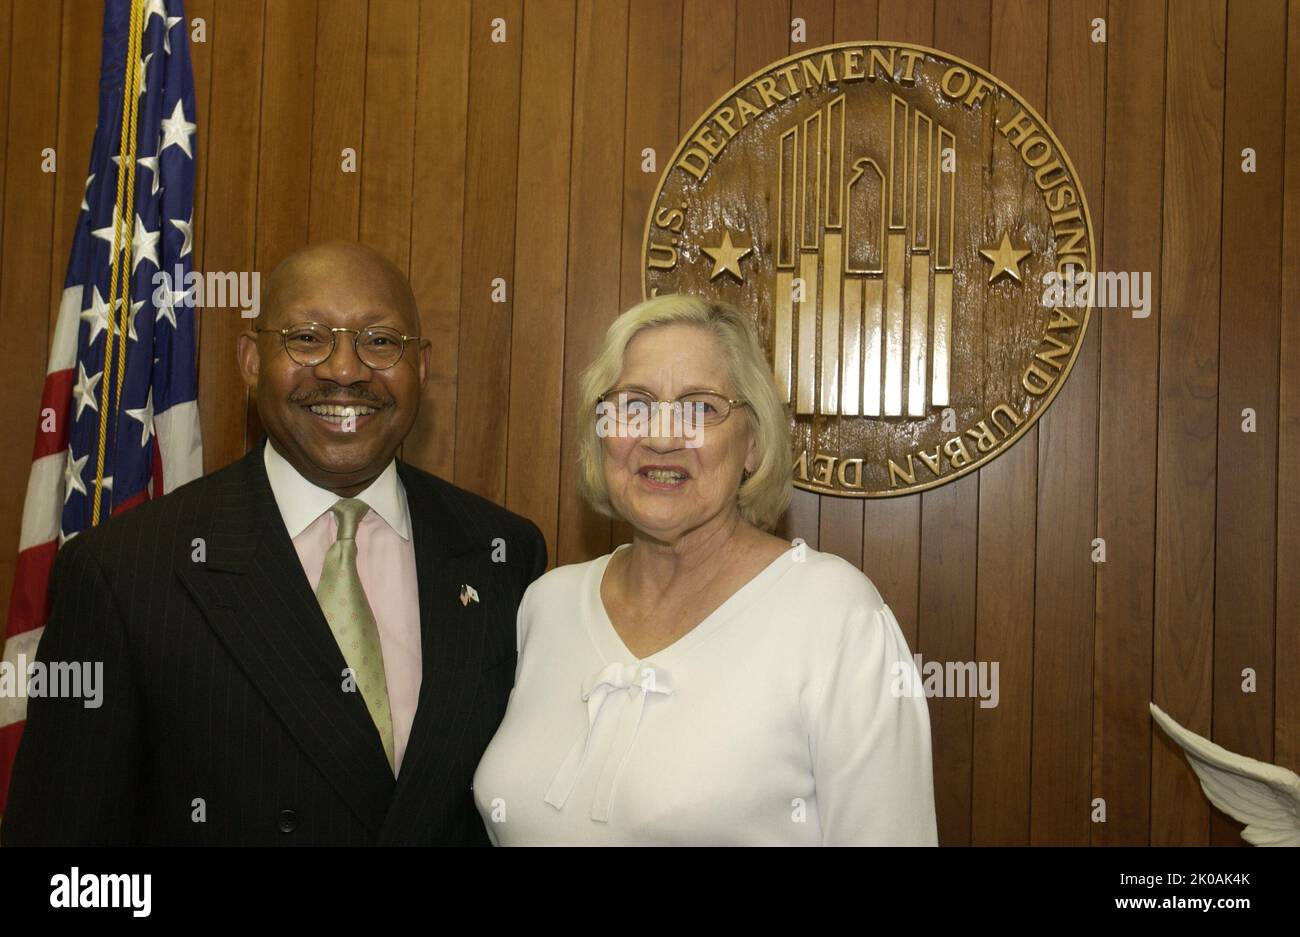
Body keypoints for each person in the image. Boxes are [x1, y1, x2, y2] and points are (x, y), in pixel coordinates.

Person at [3, 241, 546, 845]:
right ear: (252, 360)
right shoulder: (124, 571)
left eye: (381, 341)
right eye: (307, 338)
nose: (346, 369)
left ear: (421, 366)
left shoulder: (504, 554)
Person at [473, 294, 937, 845]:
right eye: (634, 404)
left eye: (699, 408)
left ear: (753, 443)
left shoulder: (836, 616)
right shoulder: (547, 604)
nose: (663, 437)